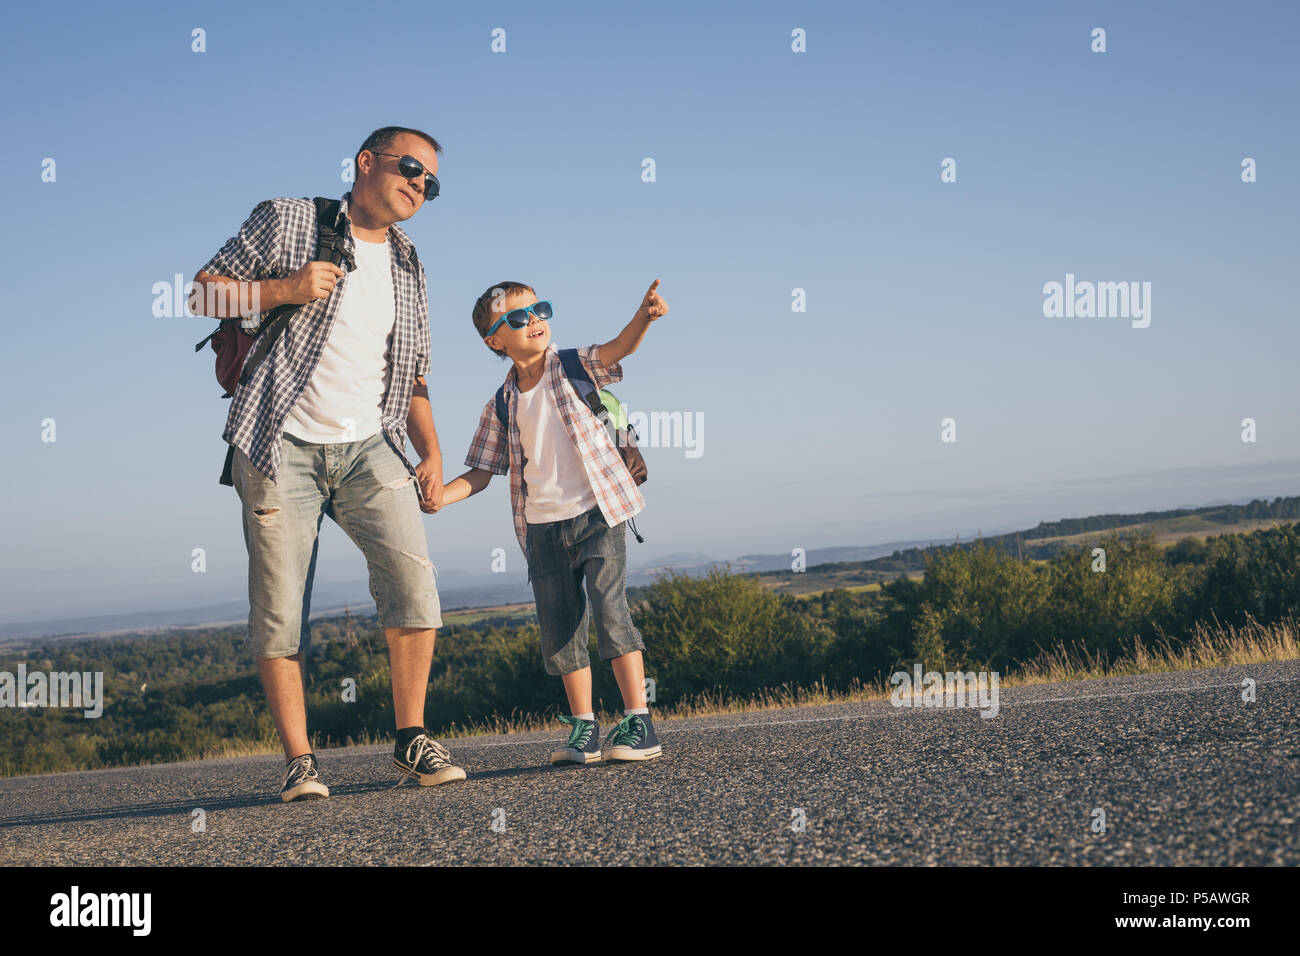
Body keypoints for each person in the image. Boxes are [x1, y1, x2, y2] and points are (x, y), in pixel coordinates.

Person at [191, 126, 465, 801]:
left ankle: (410, 739)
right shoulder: (290, 219)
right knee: (281, 607)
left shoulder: (409, 263)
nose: (419, 185)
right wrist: (284, 288)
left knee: (413, 584)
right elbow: (201, 294)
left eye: (430, 180)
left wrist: (430, 450)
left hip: (373, 444)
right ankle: (300, 761)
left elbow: (413, 375)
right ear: (365, 163)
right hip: (279, 441)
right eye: (409, 168)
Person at [440, 279, 670, 765]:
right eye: (519, 317)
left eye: (540, 309)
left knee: (610, 610)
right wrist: (442, 497)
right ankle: (584, 728)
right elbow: (481, 471)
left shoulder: (571, 365)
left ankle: (639, 720)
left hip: (598, 512)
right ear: (494, 340)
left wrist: (644, 318)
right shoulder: (501, 403)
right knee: (560, 628)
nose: (536, 320)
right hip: (541, 528)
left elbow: (616, 349)